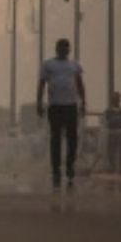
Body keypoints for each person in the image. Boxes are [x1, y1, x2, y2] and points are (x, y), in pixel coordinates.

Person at [36, 38, 85, 189]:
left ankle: (70, 166)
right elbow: (42, 84)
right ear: (56, 49)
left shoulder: (74, 65)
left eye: (66, 47)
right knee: (55, 139)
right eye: (61, 47)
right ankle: (56, 169)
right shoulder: (48, 65)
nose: (64, 50)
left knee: (72, 139)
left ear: (69, 49)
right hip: (55, 106)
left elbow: (80, 84)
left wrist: (83, 102)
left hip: (70, 106)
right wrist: (39, 102)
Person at [103, 91, 121, 175]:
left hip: (119, 132)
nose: (116, 100)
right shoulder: (109, 110)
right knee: (112, 151)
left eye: (117, 99)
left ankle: (119, 168)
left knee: (119, 151)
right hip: (113, 132)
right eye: (115, 99)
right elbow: (106, 121)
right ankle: (113, 167)